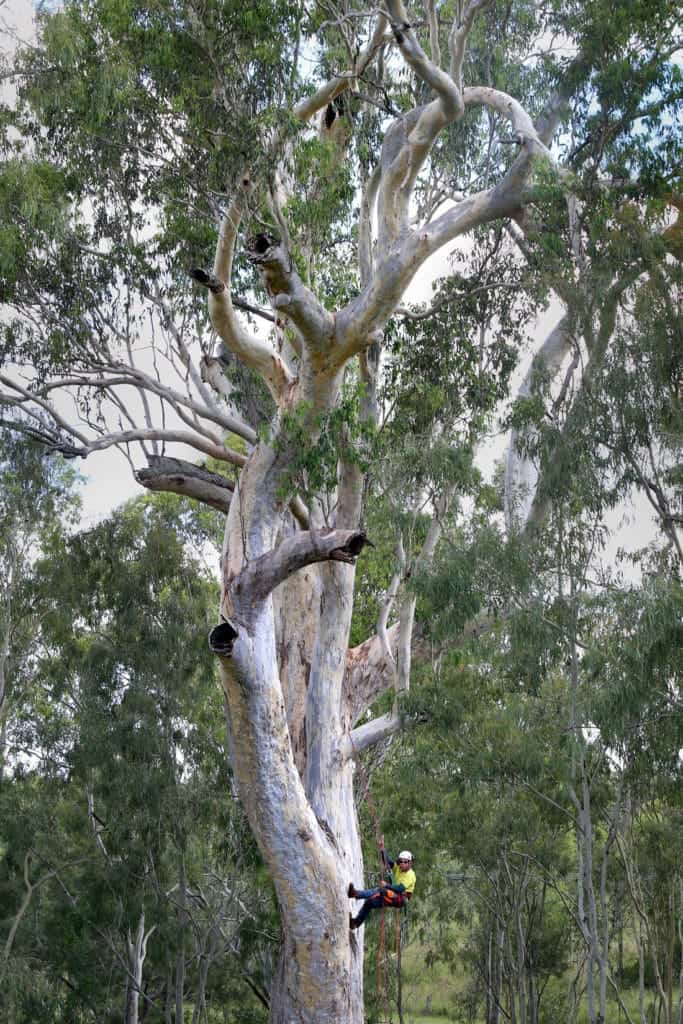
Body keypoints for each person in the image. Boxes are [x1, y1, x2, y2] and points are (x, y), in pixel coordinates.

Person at [348, 842, 416, 931]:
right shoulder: (398, 868)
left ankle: (355, 894)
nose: (402, 864)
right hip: (393, 894)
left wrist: (387, 885)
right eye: (400, 861)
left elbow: (400, 888)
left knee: (381, 890)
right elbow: (387, 861)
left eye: (405, 862)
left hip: (400, 898)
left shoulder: (410, 875)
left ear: (409, 863)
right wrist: (382, 849)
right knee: (370, 902)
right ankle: (355, 923)